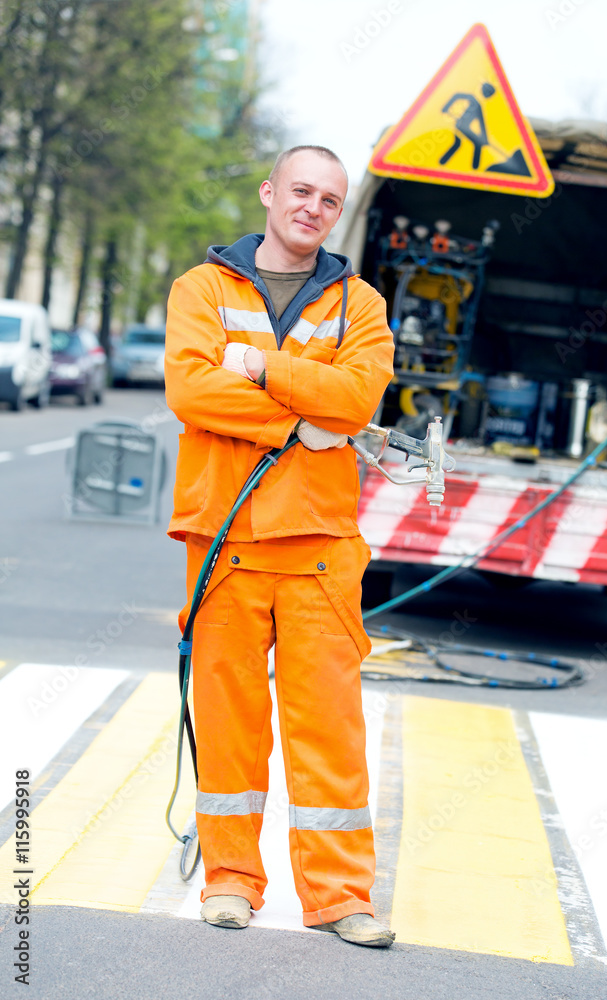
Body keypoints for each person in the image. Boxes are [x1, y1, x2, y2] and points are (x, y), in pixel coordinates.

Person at [164, 145, 395, 948]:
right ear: (270, 192)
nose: (313, 208)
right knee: (228, 723)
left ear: (337, 213)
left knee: (328, 728)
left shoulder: (360, 304)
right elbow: (190, 390)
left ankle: (340, 897)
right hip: (224, 540)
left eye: (329, 200)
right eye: (301, 190)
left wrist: (259, 365)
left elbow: (356, 398)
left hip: (320, 548)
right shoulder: (201, 289)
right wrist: (299, 420)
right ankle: (229, 881)